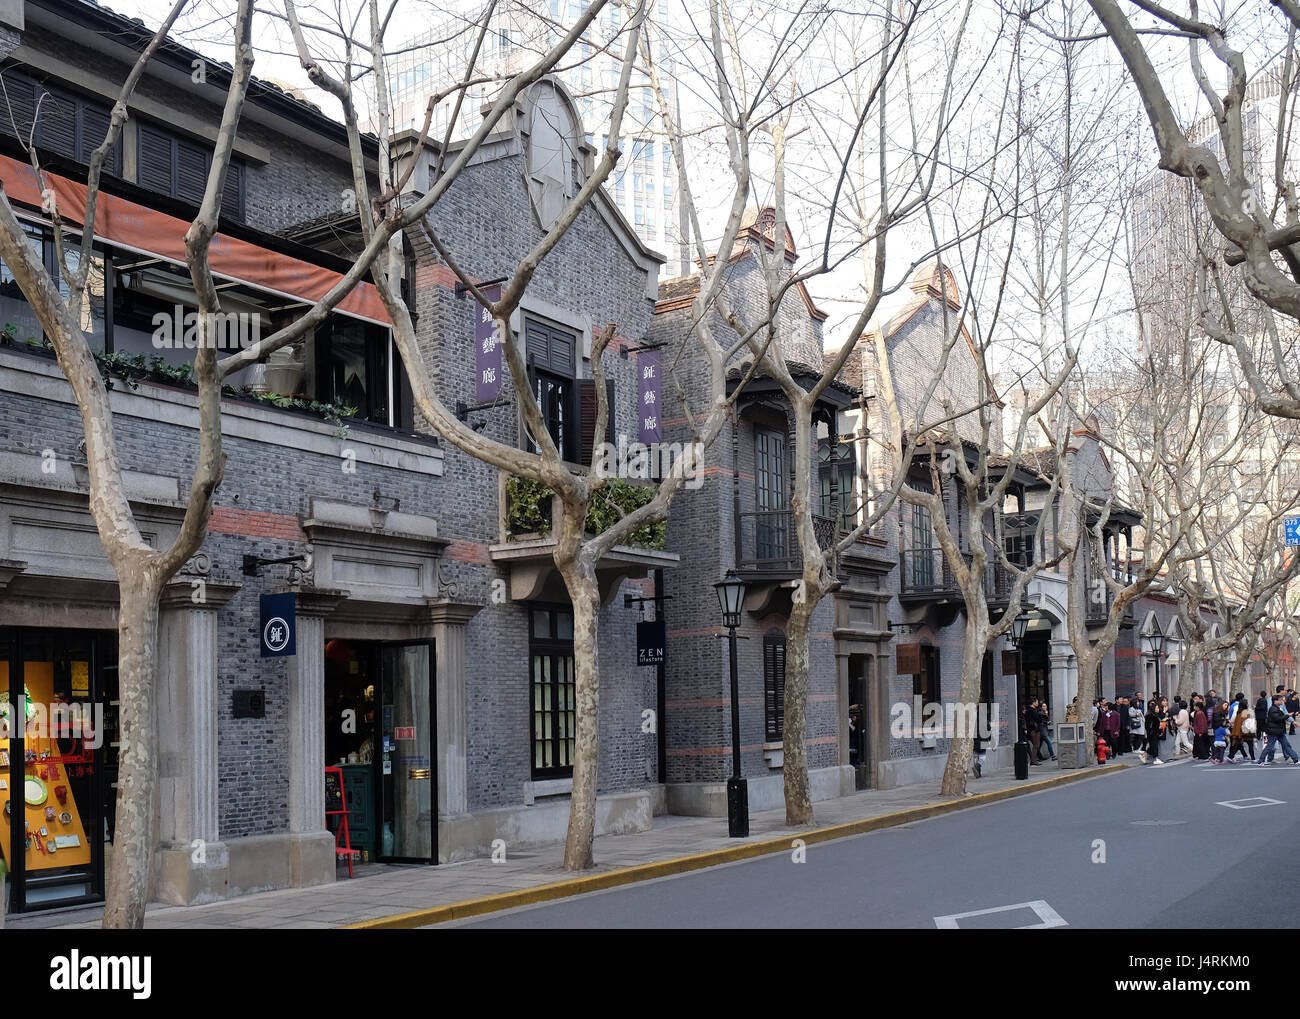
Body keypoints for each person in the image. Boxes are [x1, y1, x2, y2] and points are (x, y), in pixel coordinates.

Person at [1260, 694, 1300, 764]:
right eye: (1280, 700)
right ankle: (1261, 760)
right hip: (1274, 731)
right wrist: (1287, 716)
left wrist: (1287, 716)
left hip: (1279, 731)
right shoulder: (1272, 709)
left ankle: (1295, 759)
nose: (1282, 701)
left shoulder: (1277, 708)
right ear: (1275, 701)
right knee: (1269, 746)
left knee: (1286, 745)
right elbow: (1277, 718)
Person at [1143, 700, 1164, 765]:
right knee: (1154, 746)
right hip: (1152, 733)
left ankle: (1144, 755)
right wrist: (1152, 731)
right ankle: (1156, 758)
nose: (1158, 709)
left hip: (1155, 732)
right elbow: (1148, 726)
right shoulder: (1150, 716)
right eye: (1157, 708)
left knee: (1153, 746)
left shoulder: (1156, 715)